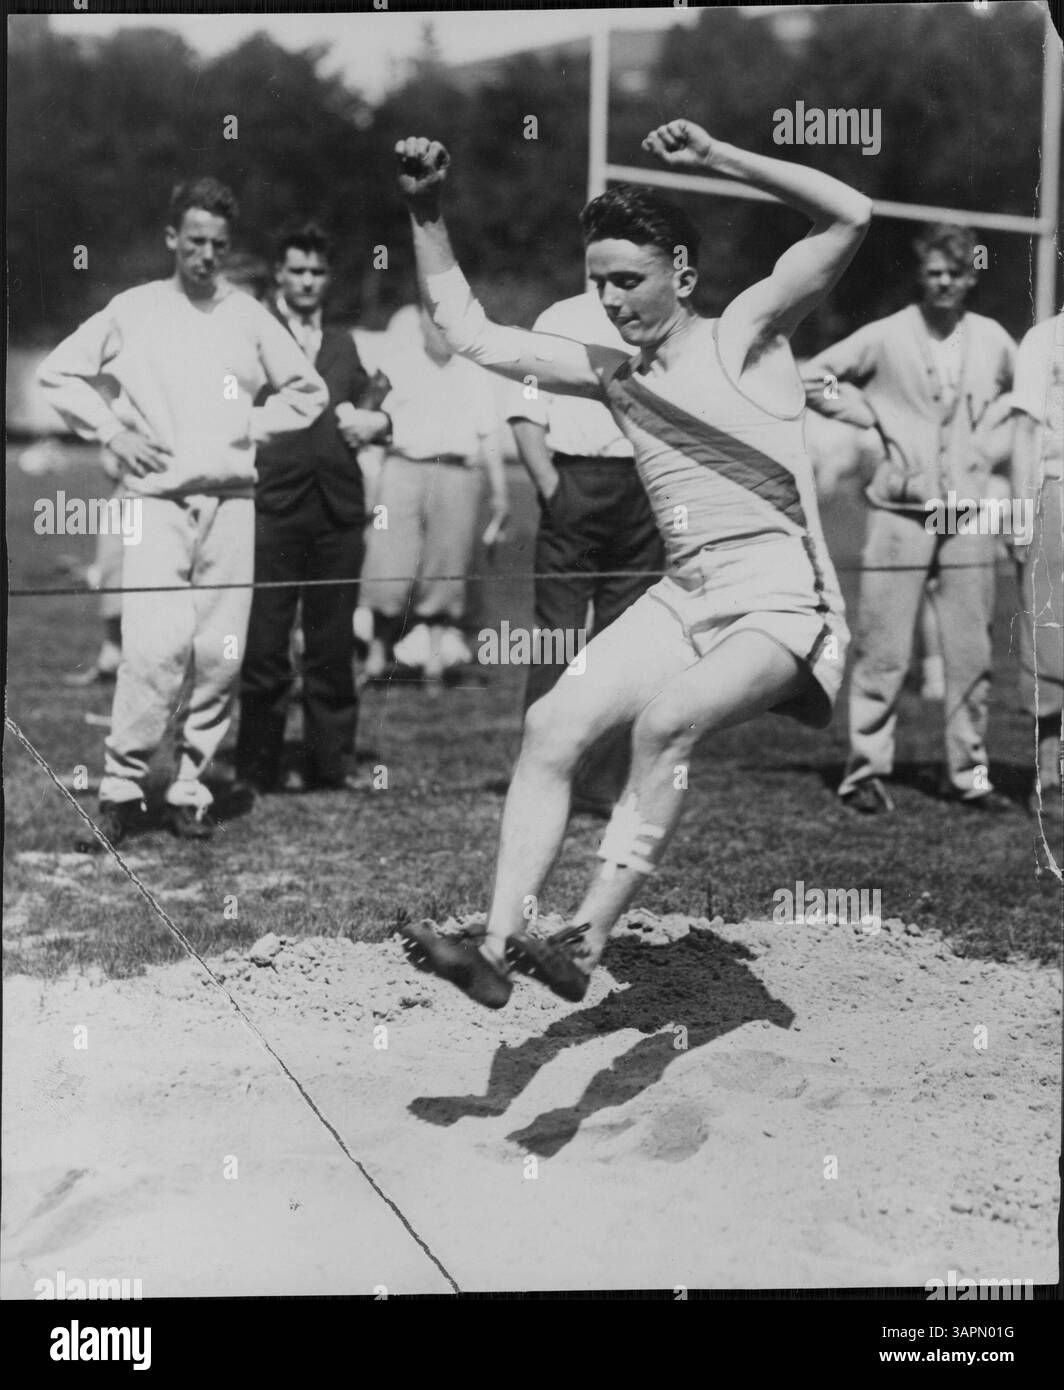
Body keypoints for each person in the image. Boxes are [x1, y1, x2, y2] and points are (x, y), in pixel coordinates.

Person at [392, 119, 870, 1007]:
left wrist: (719, 159)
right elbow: (467, 330)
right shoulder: (612, 371)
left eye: (630, 281)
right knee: (550, 728)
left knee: (665, 725)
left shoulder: (749, 337)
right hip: (685, 592)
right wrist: (425, 211)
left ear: (683, 273)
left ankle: (587, 933)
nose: (612, 301)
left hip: (782, 602)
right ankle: (496, 948)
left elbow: (848, 215)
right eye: (599, 282)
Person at [38, 177, 329, 848]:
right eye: (194, 241)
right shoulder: (135, 309)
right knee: (152, 647)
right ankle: (120, 789)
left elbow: (306, 392)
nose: (205, 254)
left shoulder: (250, 314)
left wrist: (246, 423)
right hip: (156, 499)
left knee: (219, 653)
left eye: (218, 245)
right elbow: (59, 373)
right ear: (172, 238)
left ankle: (192, 787)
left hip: (229, 502)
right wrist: (113, 431)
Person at [802, 224, 1016, 814]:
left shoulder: (994, 339)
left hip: (968, 514)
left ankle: (967, 772)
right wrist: (868, 412)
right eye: (933, 272)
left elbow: (1027, 400)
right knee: (883, 646)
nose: (944, 282)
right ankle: (865, 770)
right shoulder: (890, 334)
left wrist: (988, 440)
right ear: (921, 276)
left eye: (955, 273)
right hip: (900, 511)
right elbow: (814, 375)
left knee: (971, 651)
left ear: (971, 276)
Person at [234, 221, 391, 796]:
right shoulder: (254, 335)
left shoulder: (346, 343)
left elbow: (375, 415)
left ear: (327, 278)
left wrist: (380, 421)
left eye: (317, 272)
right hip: (272, 506)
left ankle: (331, 764)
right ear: (279, 274)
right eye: (297, 270)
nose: (307, 281)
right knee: (265, 645)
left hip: (338, 511)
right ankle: (256, 768)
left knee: (330, 643)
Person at [506, 290, 664, 816]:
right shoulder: (559, 316)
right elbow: (525, 409)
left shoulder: (661, 317)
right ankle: (540, 776)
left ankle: (600, 782)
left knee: (623, 640)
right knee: (558, 634)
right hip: (574, 478)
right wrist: (552, 488)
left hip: (641, 487)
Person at [359, 304, 509, 688]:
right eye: (434, 322)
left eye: (449, 324)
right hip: (403, 471)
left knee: (447, 568)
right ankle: (377, 656)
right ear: (420, 323)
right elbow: (367, 425)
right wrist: (371, 485)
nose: (441, 331)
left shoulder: (473, 371)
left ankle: (435, 663)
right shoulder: (395, 366)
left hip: (457, 474)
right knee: (388, 565)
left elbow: (488, 433)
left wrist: (500, 492)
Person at [1010, 310, 1063, 827]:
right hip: (1056, 489)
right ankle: (1048, 772)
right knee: (1049, 638)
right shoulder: (1044, 339)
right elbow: (1025, 429)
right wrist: (1021, 515)